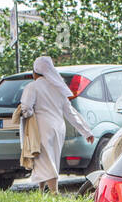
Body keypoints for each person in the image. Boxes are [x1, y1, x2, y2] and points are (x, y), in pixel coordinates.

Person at [19, 55, 93, 194]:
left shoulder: (32, 87)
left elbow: (27, 109)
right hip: (59, 127)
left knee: (44, 160)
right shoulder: (58, 88)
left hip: (41, 127)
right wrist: (86, 131)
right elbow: (71, 112)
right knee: (51, 159)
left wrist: (22, 114)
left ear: (35, 72)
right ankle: (41, 190)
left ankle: (54, 192)